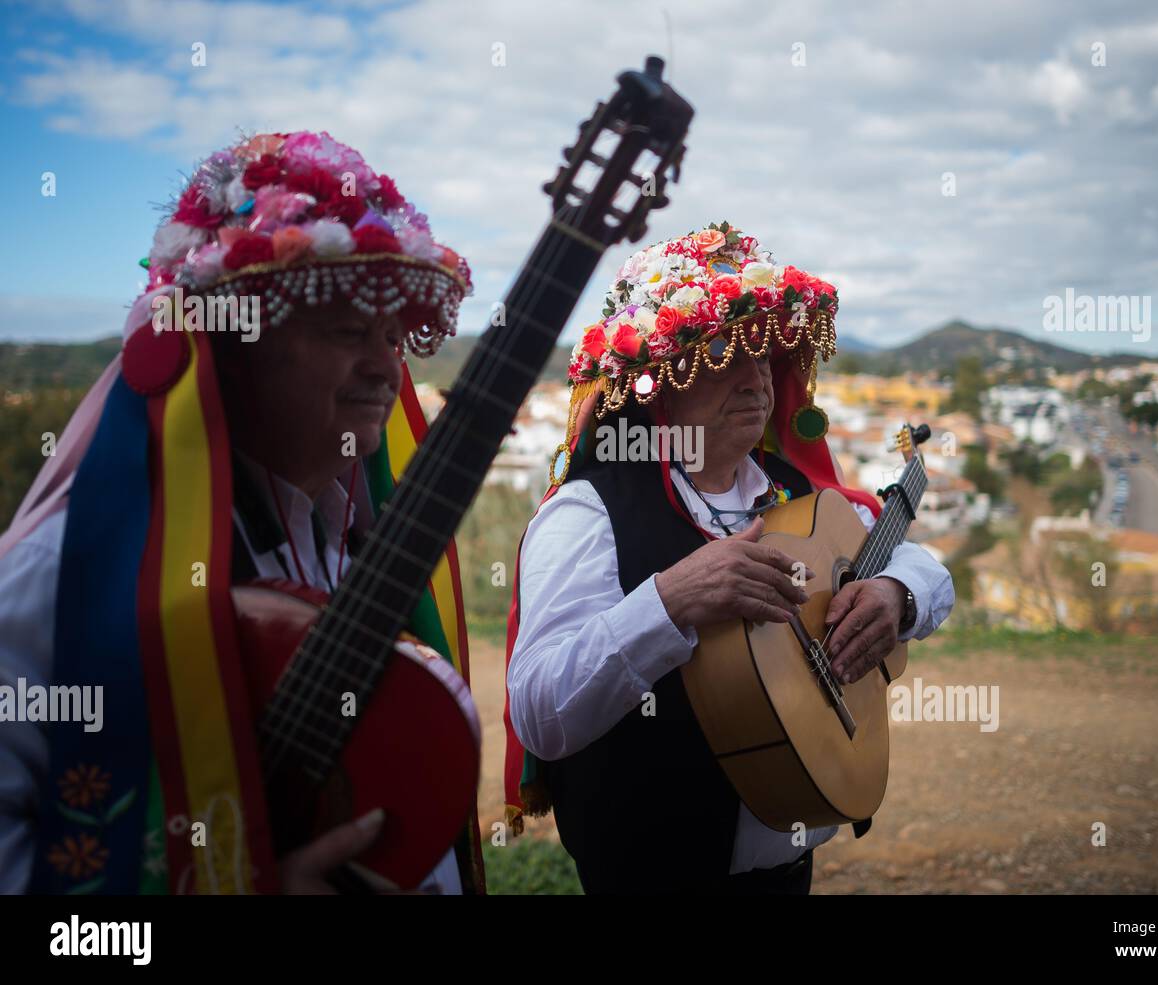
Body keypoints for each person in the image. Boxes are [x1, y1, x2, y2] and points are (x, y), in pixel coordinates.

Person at [0, 130, 483, 894]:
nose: (387, 368)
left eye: (392, 336)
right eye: (348, 330)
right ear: (232, 343)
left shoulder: (357, 537)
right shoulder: (67, 573)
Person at [503, 223, 954, 893]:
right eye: (721, 351)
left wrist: (899, 597)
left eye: (765, 353)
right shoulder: (589, 512)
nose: (756, 377)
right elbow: (539, 709)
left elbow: (922, 565)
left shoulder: (799, 493)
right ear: (655, 382)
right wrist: (669, 601)